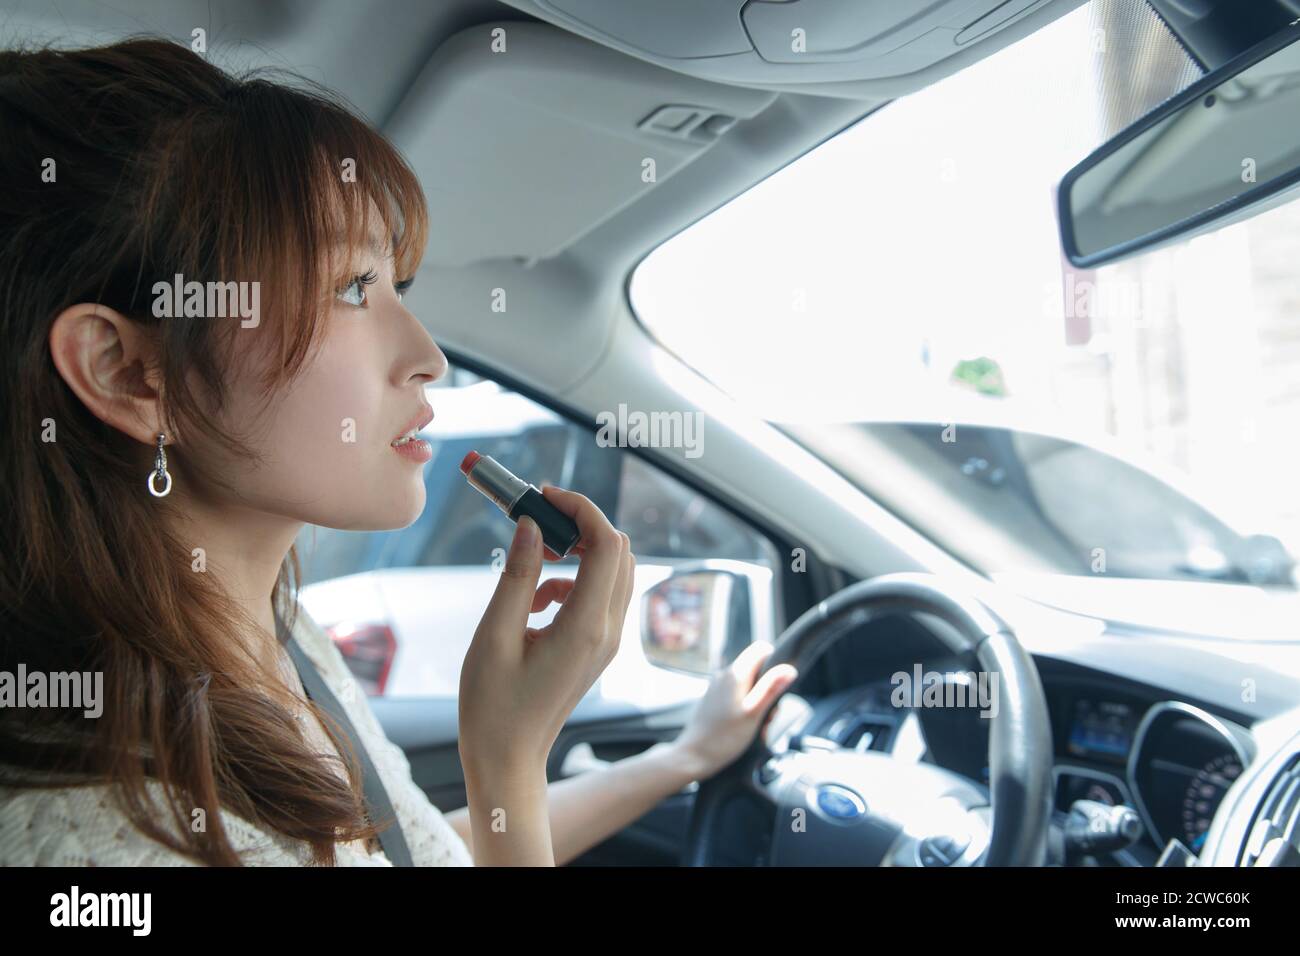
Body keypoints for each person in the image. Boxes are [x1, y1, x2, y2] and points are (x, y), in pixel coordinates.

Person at [0, 37, 797, 866]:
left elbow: (417, 855)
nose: (428, 354)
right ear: (129, 372)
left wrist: (683, 758)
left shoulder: (275, 638)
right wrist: (506, 759)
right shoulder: (98, 839)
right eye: (351, 287)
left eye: (393, 286)